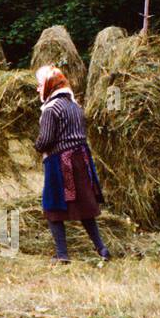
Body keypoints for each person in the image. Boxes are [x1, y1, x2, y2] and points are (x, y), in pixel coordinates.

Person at [33, 65, 108, 263]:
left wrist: (36, 146)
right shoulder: (75, 106)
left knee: (53, 205)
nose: (38, 89)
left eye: (40, 85)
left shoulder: (51, 109)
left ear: (50, 85)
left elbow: (46, 140)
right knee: (85, 206)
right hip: (81, 159)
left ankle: (62, 254)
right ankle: (102, 249)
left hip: (60, 162)